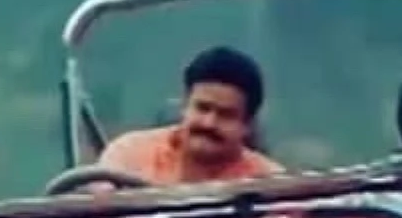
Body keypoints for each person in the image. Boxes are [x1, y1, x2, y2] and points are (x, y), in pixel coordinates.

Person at [98, 46, 284, 185]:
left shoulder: (272, 185)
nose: (209, 123)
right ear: (184, 106)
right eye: (202, 108)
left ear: (248, 125)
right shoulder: (128, 157)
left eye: (225, 115)